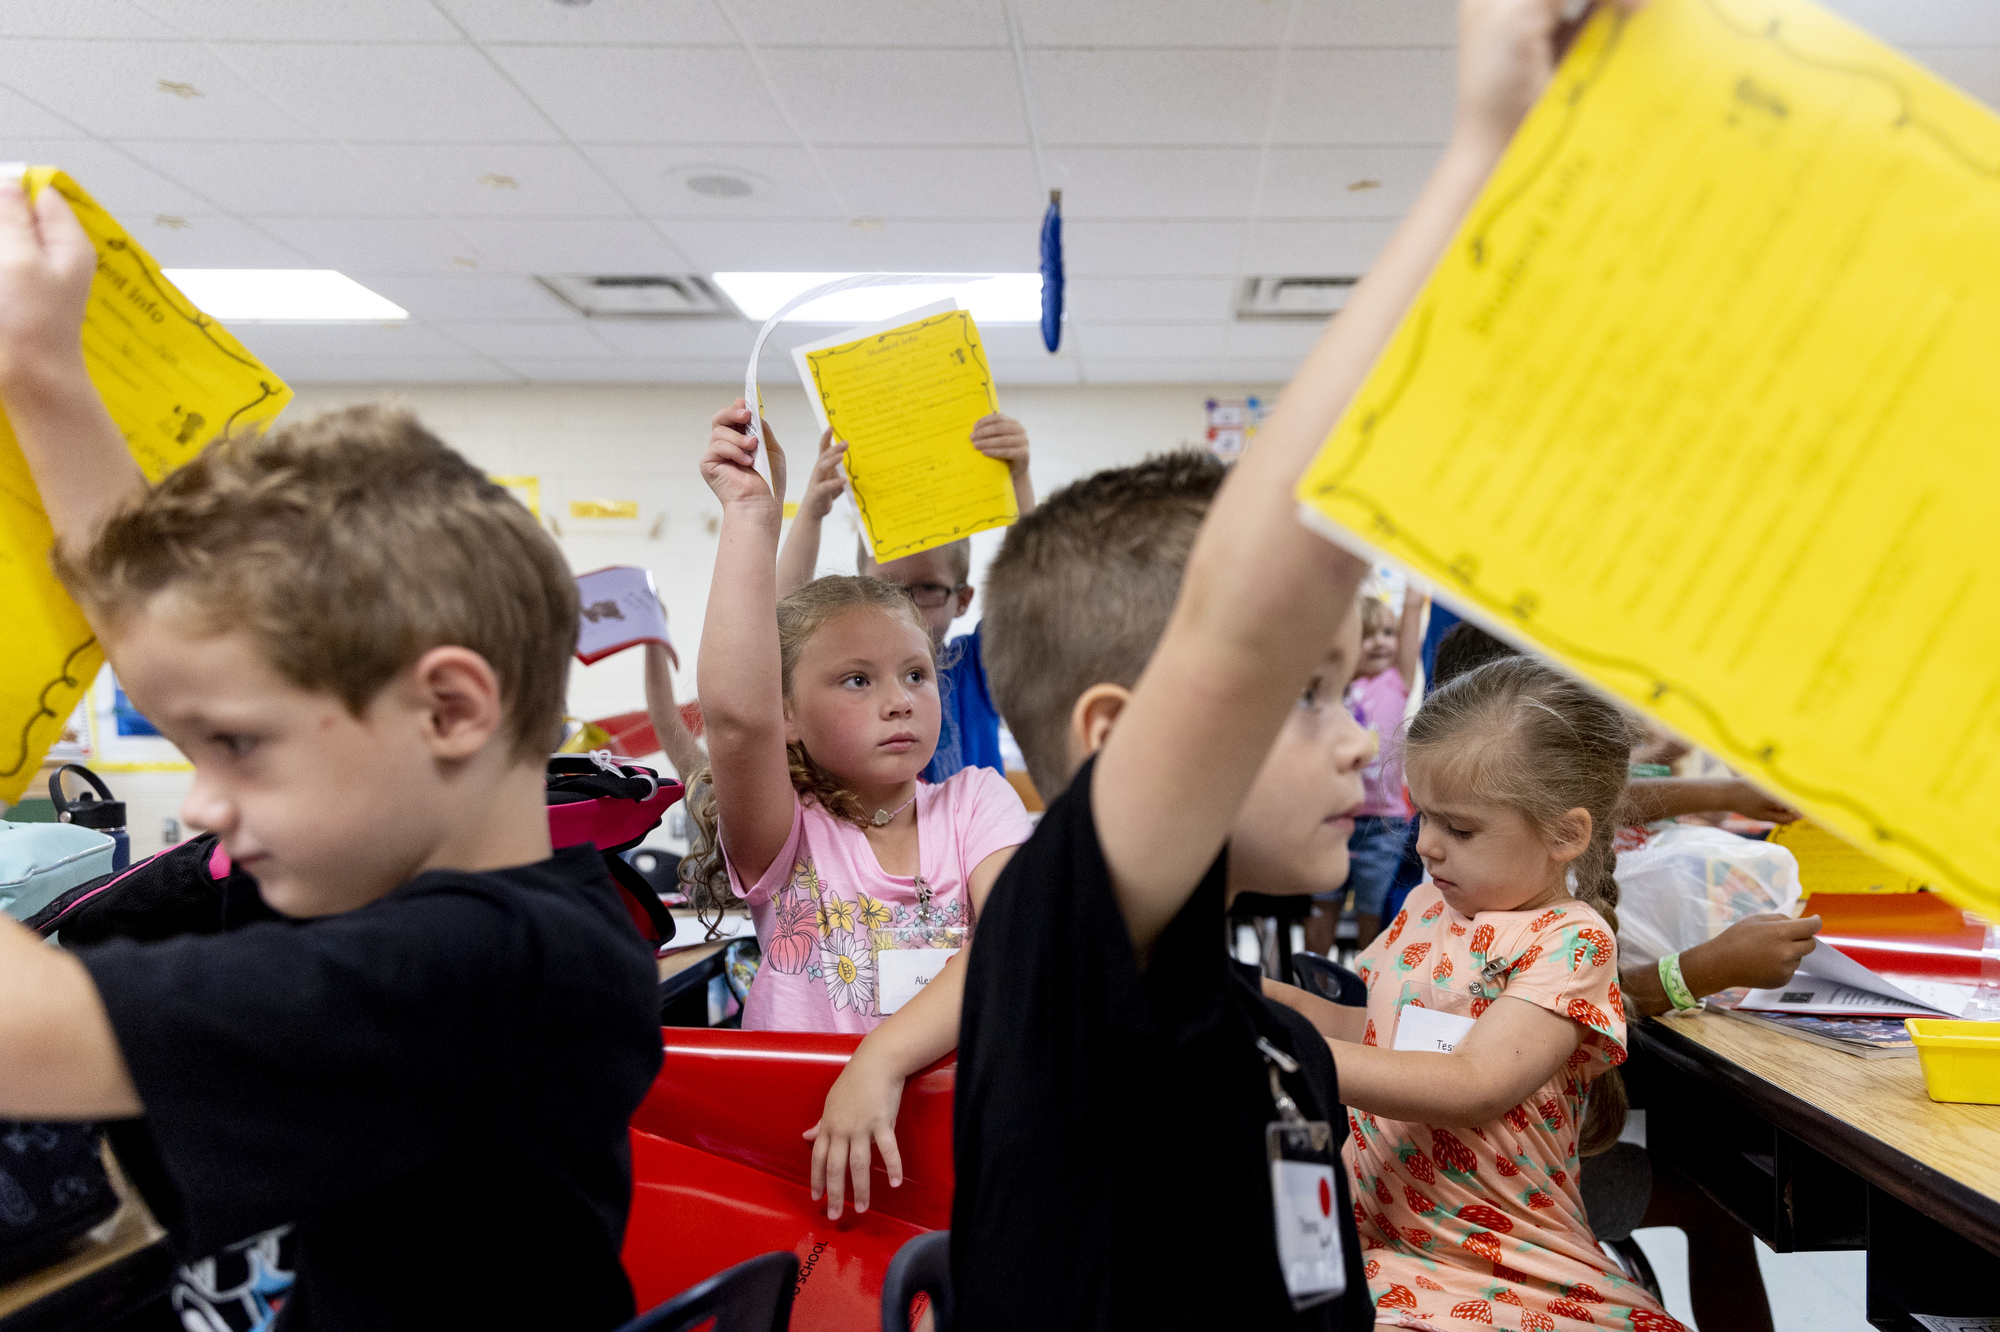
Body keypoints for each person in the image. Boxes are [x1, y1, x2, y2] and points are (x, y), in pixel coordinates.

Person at [0, 181, 661, 1329]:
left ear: (449, 710)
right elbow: (163, 633)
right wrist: (43, 381)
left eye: (240, 748)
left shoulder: (475, 971)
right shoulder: (423, 892)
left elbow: (22, 1036)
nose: (204, 806)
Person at [687, 401, 1031, 1218]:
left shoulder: (976, 801)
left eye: (915, 674)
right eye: (856, 680)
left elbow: (1013, 947)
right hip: (810, 1164)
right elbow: (735, 718)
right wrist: (750, 515)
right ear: (789, 716)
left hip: (969, 1161)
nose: (899, 701)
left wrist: (879, 1059)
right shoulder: (793, 832)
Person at [1273, 657, 1685, 1332]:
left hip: (1499, 1264)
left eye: (1459, 829)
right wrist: (1252, 1000)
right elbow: (1370, 1028)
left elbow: (1473, 1083)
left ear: (1565, 834)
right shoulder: (1427, 902)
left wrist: (1289, 1050)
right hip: (1373, 1231)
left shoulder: (1570, 942)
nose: (1426, 845)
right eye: (1424, 815)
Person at [776, 415, 1035, 784]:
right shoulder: (842, 676)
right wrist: (813, 511)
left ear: (962, 599)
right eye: (887, 589)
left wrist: (1018, 481)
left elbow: (1031, 600)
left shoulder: (974, 666)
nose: (906, 608)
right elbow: (781, 621)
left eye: (927, 588)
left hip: (976, 839)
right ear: (860, 588)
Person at [1307, 588, 1425, 957]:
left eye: (1388, 633)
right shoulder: (1336, 686)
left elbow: (1411, 617)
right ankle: (1312, 979)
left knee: (1371, 911)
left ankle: (1367, 985)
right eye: (1367, 634)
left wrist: (1413, 595)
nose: (1380, 643)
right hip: (1334, 812)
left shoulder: (1396, 680)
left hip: (1381, 824)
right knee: (1323, 902)